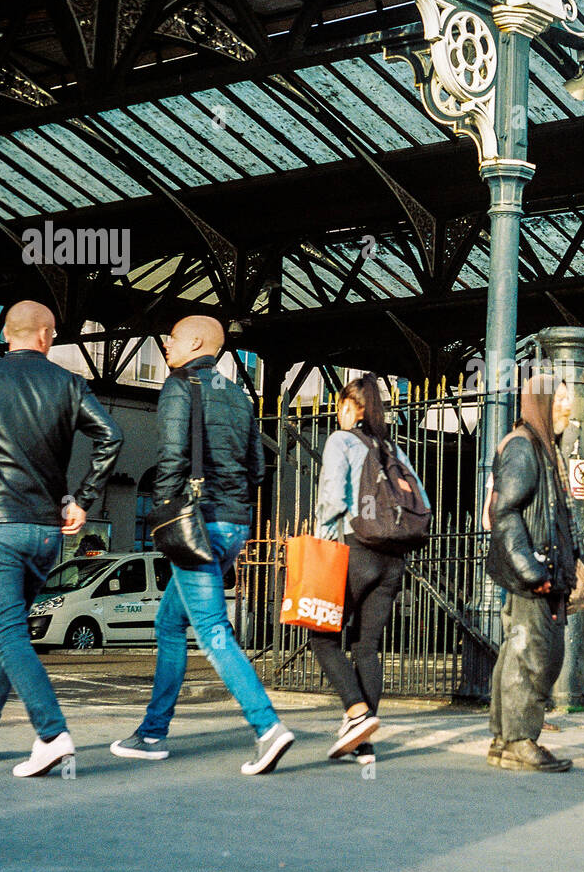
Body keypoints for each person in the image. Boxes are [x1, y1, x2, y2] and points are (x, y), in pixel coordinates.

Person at [111, 315, 294, 775]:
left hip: (197, 526)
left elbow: (171, 457)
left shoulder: (179, 386)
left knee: (213, 632)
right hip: (235, 524)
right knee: (169, 623)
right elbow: (257, 468)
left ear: (195, 342)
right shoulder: (238, 395)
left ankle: (267, 727)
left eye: (171, 337)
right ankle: (152, 733)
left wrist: (164, 511)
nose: (166, 344)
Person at [0, 300, 122, 777]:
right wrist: (82, 499)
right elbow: (112, 436)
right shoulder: (70, 384)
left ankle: (52, 733)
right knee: (12, 634)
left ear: (7, 335)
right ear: (47, 336)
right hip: (48, 530)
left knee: (8, 632)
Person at [313, 374, 430, 764]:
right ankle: (364, 745)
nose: (338, 414)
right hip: (392, 558)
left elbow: (332, 497)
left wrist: (321, 540)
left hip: (354, 549)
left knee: (322, 636)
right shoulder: (394, 448)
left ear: (350, 407)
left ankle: (356, 712)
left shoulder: (340, 440)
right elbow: (421, 500)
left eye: (341, 407)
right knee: (366, 647)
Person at [485, 372, 580, 772]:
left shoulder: (541, 448)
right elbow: (503, 512)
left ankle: (505, 740)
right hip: (532, 577)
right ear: (541, 402)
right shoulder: (525, 448)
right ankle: (521, 741)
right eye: (560, 400)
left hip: (538, 574)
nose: (567, 408)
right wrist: (532, 569)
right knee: (534, 656)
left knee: (517, 654)